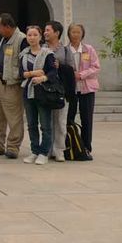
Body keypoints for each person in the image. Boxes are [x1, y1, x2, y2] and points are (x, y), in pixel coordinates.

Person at [0, 13, 28, 159]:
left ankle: (13, 147)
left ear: (7, 27)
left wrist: (18, 76)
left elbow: (25, 61)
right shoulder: (5, 38)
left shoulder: (22, 39)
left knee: (14, 117)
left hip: (11, 84)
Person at [20, 25, 58, 165]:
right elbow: (21, 73)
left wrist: (43, 78)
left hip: (43, 93)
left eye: (35, 35)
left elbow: (53, 72)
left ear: (40, 37)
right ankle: (34, 150)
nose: (32, 37)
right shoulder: (23, 54)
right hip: (28, 93)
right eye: (29, 35)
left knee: (45, 125)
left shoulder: (47, 54)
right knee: (31, 124)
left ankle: (44, 152)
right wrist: (34, 73)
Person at [67, 23, 100, 159]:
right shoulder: (65, 50)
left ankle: (86, 147)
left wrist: (81, 74)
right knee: (69, 118)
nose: (75, 35)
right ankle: (70, 146)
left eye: (78, 32)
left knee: (87, 118)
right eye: (73, 32)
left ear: (82, 34)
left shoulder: (89, 49)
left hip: (87, 88)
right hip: (71, 90)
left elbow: (96, 67)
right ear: (69, 34)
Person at [44, 21, 75, 162]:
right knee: (46, 122)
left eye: (48, 30)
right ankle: (47, 149)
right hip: (45, 90)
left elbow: (71, 69)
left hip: (61, 91)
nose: (45, 33)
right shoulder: (42, 48)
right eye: (44, 30)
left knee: (61, 121)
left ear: (56, 33)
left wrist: (60, 66)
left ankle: (60, 150)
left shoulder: (66, 50)